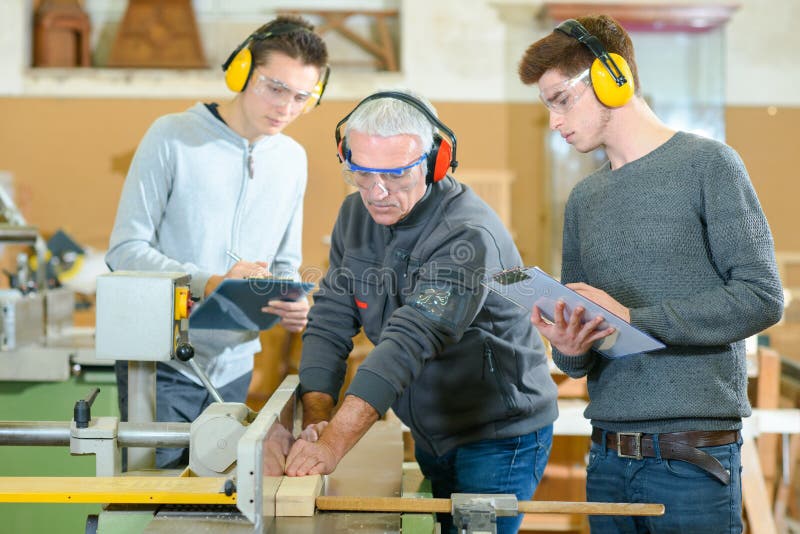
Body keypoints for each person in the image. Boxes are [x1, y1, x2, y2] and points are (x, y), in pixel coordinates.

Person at [519, 15, 784, 533]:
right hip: (608, 461)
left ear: (610, 78)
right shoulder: (584, 198)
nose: (554, 121)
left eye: (560, 99)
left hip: (691, 462)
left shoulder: (710, 165)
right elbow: (575, 363)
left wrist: (636, 319)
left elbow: (761, 296)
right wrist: (570, 341)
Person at [284, 90, 559, 534]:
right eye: (361, 172)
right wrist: (316, 418)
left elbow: (410, 341)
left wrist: (334, 445)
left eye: (394, 175)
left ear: (436, 162)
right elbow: (332, 317)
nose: (376, 192)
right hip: (432, 431)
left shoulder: (467, 234)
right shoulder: (355, 214)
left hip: (498, 435)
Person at [105, 15, 328, 468]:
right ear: (241, 71)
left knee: (215, 496)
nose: (286, 107)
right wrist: (208, 282)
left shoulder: (292, 159)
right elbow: (125, 250)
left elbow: (285, 261)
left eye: (302, 97)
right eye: (275, 87)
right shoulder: (172, 137)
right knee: (157, 502)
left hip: (235, 365)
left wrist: (291, 299)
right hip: (159, 363)